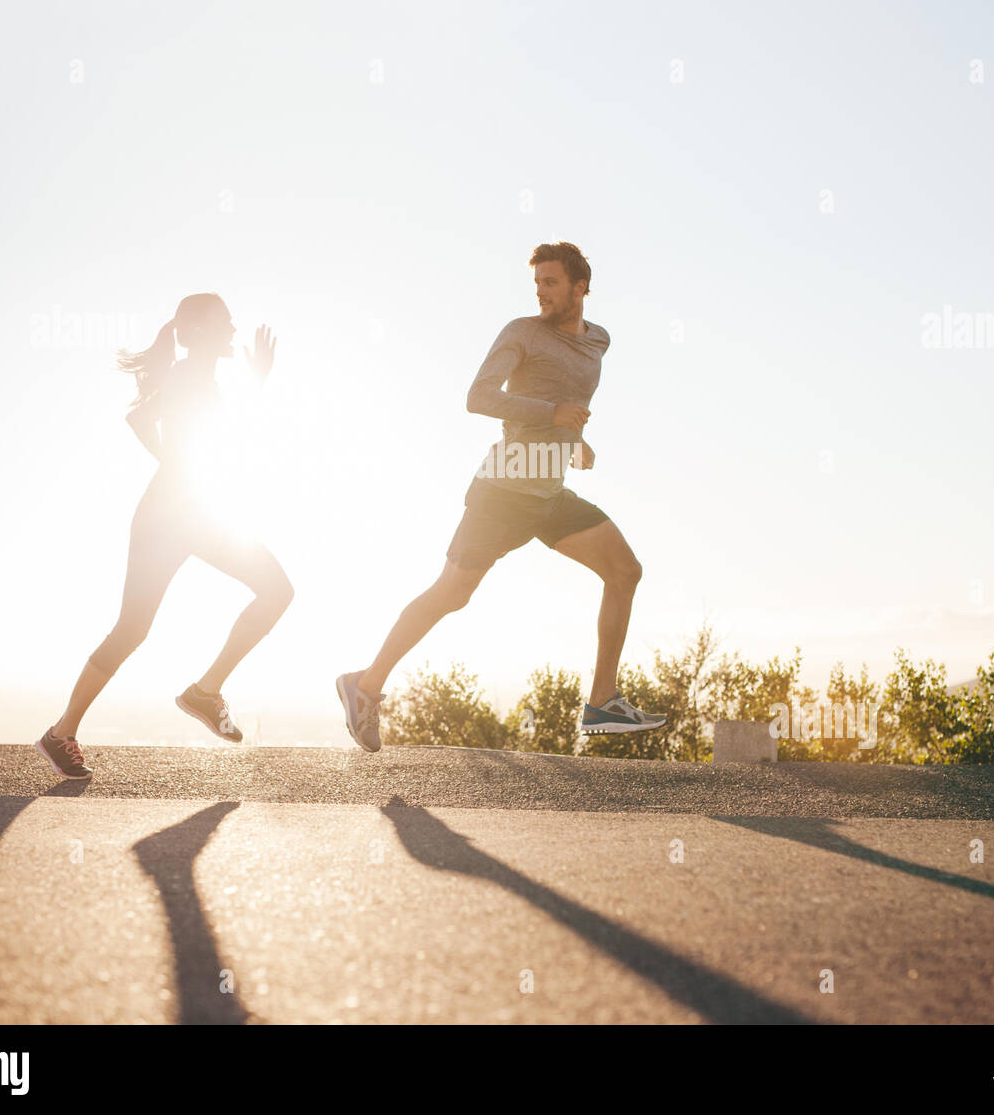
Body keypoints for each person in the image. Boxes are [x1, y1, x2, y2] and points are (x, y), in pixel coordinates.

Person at [337, 242, 665, 752]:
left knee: (625, 571)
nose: (542, 293)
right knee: (452, 594)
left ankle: (602, 702)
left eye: (552, 283)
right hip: (503, 491)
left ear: (581, 287)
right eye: (538, 284)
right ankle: (363, 685)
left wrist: (574, 440)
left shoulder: (598, 341)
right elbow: (480, 396)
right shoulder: (522, 333)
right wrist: (552, 413)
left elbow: (568, 402)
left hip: (550, 494)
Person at [36, 293, 294, 779]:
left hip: (191, 511)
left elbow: (139, 419)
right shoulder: (189, 378)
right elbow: (226, 434)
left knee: (274, 591)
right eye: (225, 322)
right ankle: (65, 732)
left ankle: (200, 693)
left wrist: (171, 464)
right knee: (135, 628)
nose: (235, 329)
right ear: (198, 332)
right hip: (172, 518)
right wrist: (257, 382)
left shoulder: (190, 376)